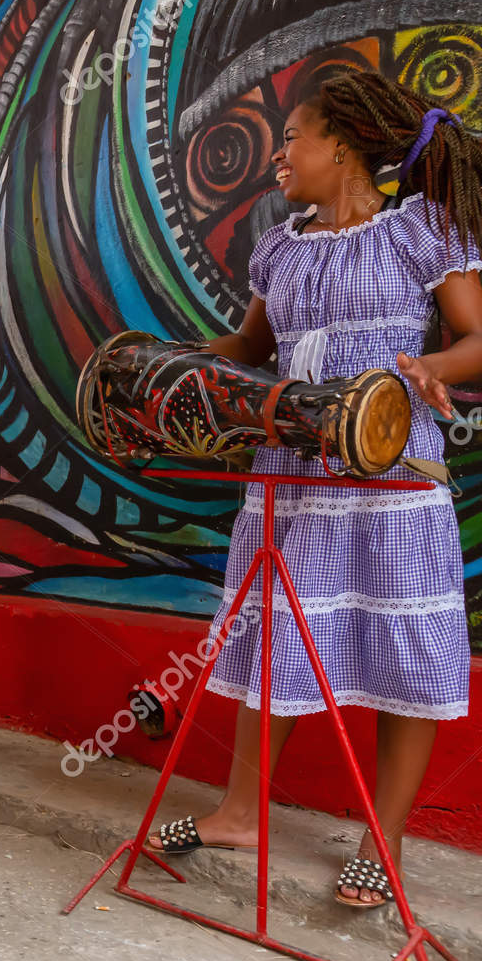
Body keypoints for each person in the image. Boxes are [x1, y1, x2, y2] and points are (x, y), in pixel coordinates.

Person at [145, 71, 482, 910]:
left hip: (391, 477)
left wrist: (433, 365)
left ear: (342, 145)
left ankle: (384, 835)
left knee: (397, 647)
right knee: (278, 642)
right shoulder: (280, 244)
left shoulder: (420, 231)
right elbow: (253, 344)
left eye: (292, 137)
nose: (279, 155)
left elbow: (477, 335)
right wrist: (175, 361)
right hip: (292, 476)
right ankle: (239, 810)